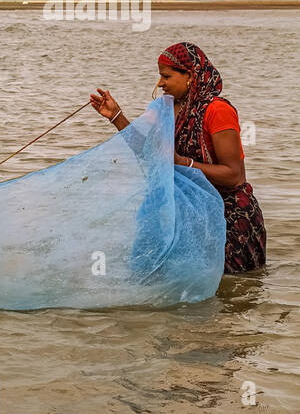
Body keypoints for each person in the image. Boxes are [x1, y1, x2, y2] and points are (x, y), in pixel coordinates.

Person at [90, 42, 265, 273]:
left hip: (227, 217)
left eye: (166, 76)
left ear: (190, 76)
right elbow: (148, 152)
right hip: (187, 213)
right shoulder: (166, 108)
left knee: (230, 286)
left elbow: (234, 176)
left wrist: (183, 163)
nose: (160, 83)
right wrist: (116, 117)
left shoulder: (217, 111)